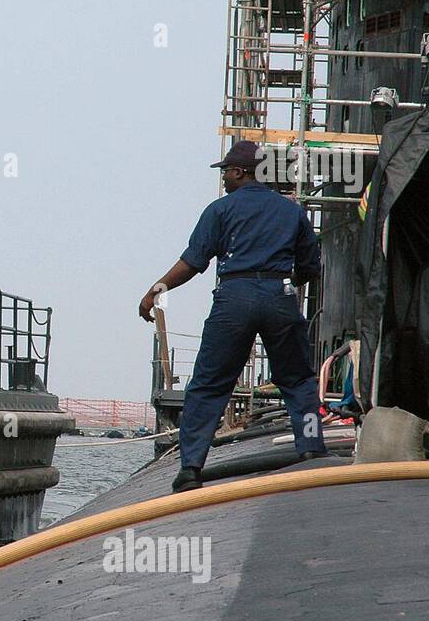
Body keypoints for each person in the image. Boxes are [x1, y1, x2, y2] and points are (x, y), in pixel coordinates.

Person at [138, 140, 327, 492]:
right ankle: (311, 451)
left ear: (240, 172)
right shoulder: (291, 212)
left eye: (225, 171)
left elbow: (193, 263)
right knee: (298, 381)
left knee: (209, 385)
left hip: (234, 297)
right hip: (279, 295)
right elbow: (310, 268)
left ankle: (191, 467)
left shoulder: (220, 210)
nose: (223, 177)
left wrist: (155, 291)